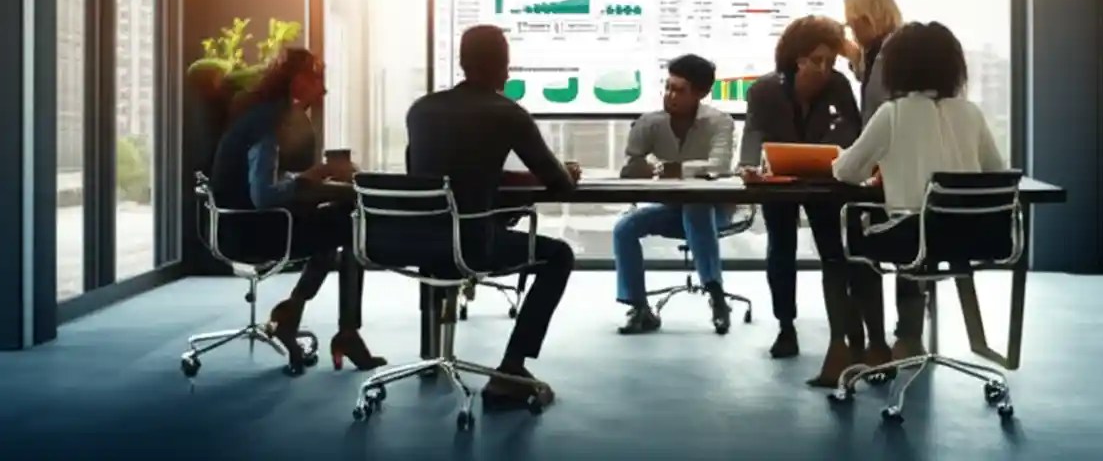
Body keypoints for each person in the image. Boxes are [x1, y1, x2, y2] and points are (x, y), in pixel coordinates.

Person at [405, 24, 580, 409]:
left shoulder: (421, 109)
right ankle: (512, 369)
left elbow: (435, 176)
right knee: (559, 255)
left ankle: (431, 354)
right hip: (472, 243)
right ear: (503, 65)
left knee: (461, 235)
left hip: (418, 239)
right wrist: (562, 173)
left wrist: (516, 177)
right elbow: (561, 184)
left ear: (463, 62)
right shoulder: (508, 113)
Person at [831, 21, 1006, 360]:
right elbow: (996, 173)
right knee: (920, 226)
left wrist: (845, 159)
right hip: (974, 236)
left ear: (896, 68)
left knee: (900, 226)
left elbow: (848, 171)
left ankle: (887, 341)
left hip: (914, 237)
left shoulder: (893, 114)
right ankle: (910, 337)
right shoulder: (970, 113)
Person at [208, 48, 386, 373]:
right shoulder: (270, 121)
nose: (324, 89)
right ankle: (342, 331)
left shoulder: (263, 113)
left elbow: (263, 179)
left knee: (341, 214)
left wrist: (310, 177)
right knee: (350, 221)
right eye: (318, 80)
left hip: (240, 224)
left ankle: (297, 312)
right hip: (253, 231)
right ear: (299, 81)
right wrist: (309, 181)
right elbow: (264, 195)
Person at [739, 15, 865, 384]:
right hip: (779, 181)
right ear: (797, 59)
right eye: (817, 60)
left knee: (832, 250)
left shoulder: (838, 86)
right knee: (781, 247)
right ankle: (785, 326)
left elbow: (853, 133)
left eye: (830, 61)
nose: (825, 69)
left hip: (824, 182)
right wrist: (748, 167)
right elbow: (753, 134)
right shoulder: (764, 89)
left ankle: (841, 334)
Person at [612, 54, 737, 335]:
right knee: (624, 228)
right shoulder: (650, 123)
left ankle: (716, 296)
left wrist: (677, 169)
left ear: (701, 93)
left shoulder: (720, 122)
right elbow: (632, 166)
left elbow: (719, 166)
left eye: (679, 90)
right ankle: (639, 309)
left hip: (715, 210)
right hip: (672, 209)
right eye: (668, 87)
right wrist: (638, 167)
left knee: (696, 206)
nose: (670, 96)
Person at [842, 0, 926, 358]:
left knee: (901, 244)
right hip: (887, 164)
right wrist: (854, 56)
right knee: (901, 244)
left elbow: (886, 103)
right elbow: (872, 81)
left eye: (851, 22)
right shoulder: (880, 48)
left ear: (866, 17)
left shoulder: (898, 50)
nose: (850, 30)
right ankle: (896, 337)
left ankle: (903, 335)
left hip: (895, 165)